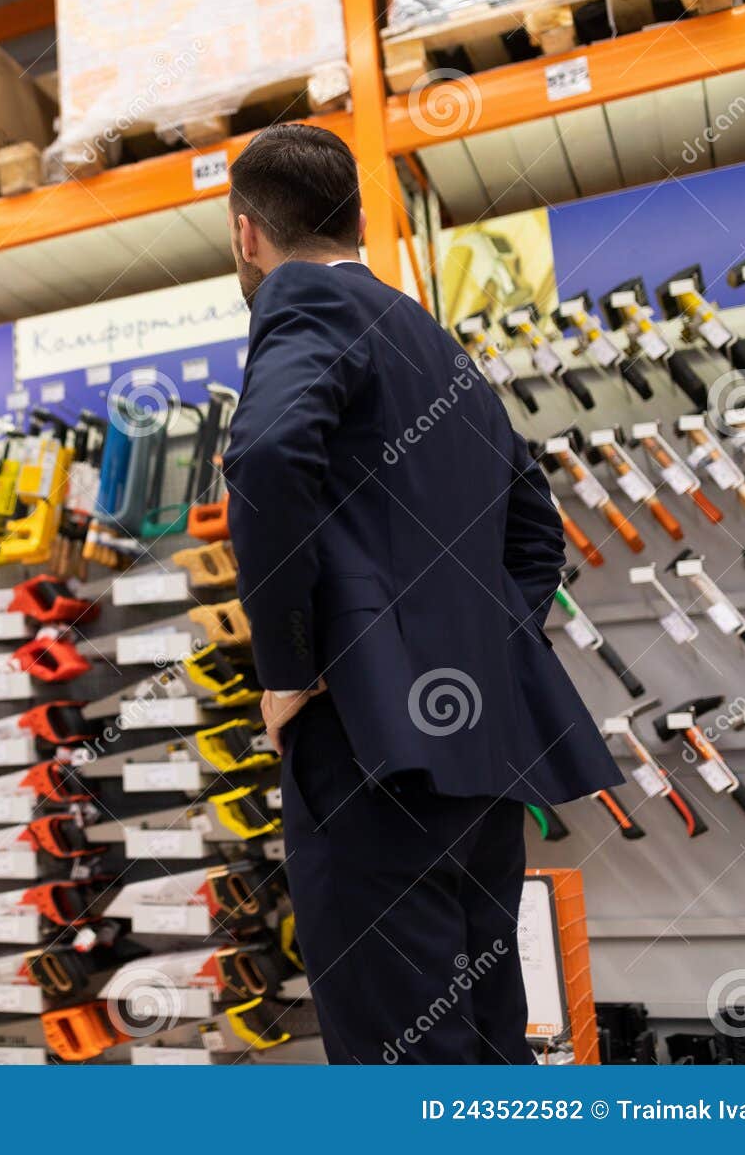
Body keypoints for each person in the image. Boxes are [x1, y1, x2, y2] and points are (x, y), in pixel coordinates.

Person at [220, 123, 621, 1064]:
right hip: (480, 756)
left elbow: (271, 456)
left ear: (247, 235)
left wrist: (292, 668)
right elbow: (535, 529)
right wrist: (469, 648)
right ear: (359, 220)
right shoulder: (434, 343)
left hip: (368, 753)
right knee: (487, 1044)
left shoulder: (302, 302)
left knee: (402, 1055)